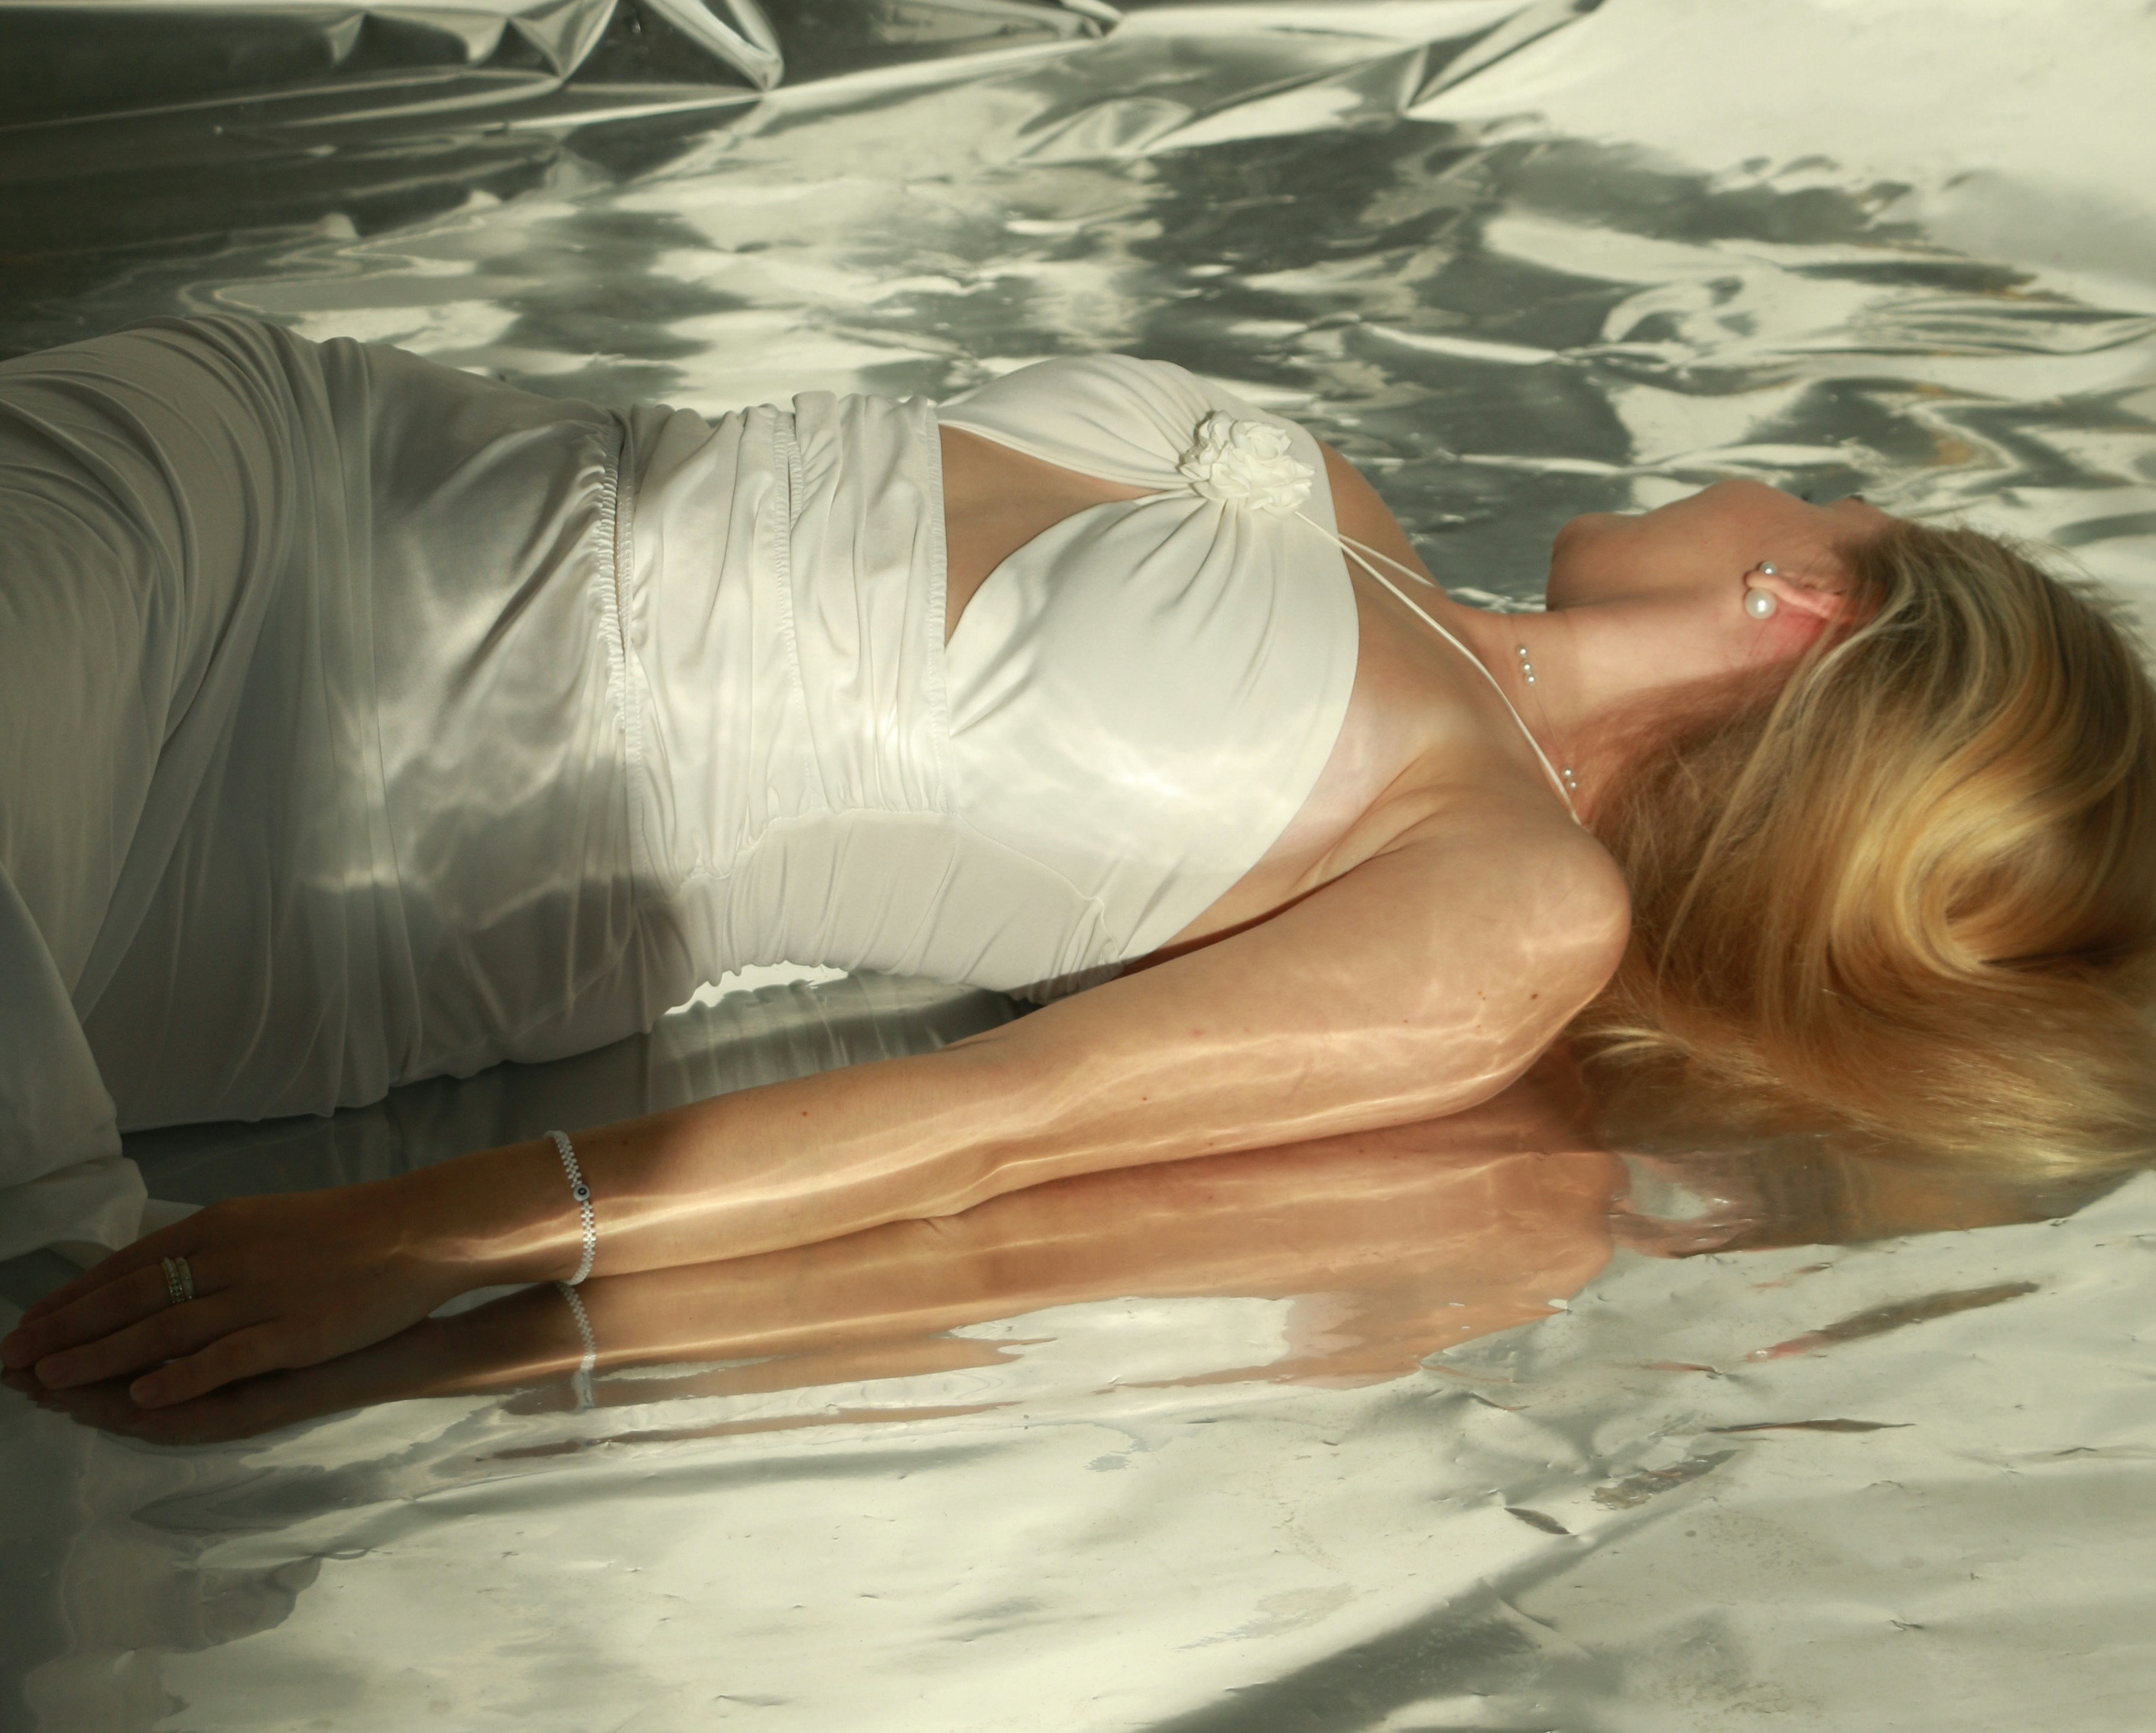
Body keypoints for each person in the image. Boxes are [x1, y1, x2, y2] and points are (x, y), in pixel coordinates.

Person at [6, 310, 2155, 1412]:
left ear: (1807, 599)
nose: (1762, 473)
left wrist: (403, 1247)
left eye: (1828, 500)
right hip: (270, 446)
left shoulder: (1511, 897)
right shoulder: (1344, 515)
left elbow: (985, 1129)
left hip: (318, 849)